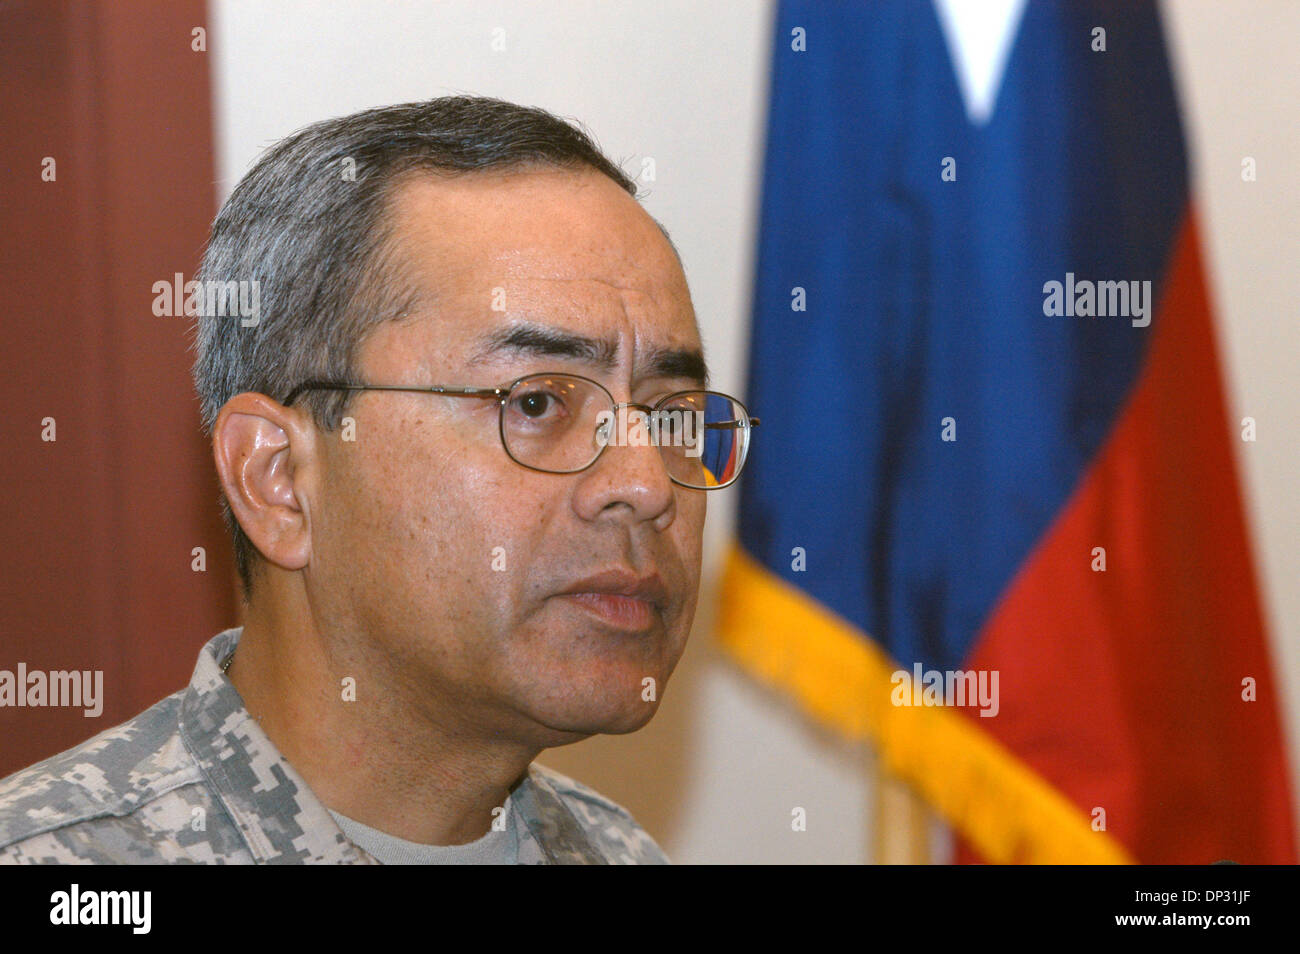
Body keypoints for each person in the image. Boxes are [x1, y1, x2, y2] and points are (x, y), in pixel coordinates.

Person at [0, 96, 758, 864]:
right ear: (279, 481)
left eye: (673, 419)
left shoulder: (618, 853)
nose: (647, 485)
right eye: (535, 402)